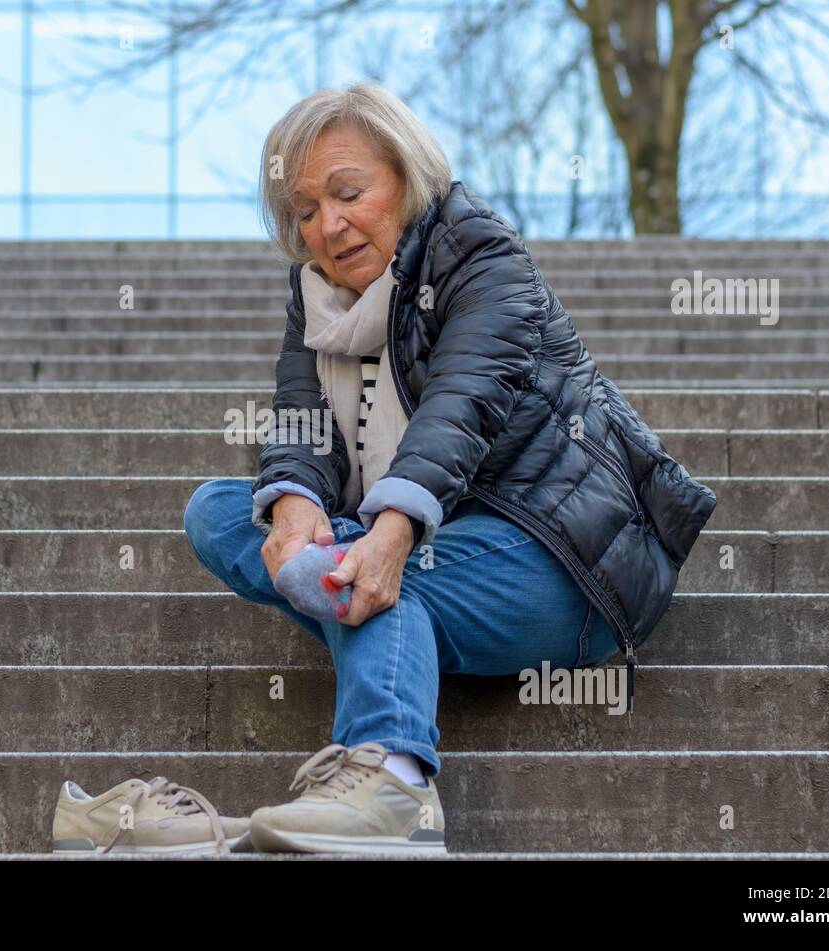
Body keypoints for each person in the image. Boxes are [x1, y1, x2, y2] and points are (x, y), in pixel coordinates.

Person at [182, 80, 717, 854]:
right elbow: (301, 422)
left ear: (407, 175)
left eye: (348, 193)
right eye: (304, 210)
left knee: (382, 573)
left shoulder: (483, 259)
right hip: (438, 542)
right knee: (217, 510)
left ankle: (392, 782)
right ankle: (367, 581)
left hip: (563, 552)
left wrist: (389, 532)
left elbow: (459, 408)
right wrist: (296, 505)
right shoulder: (317, 296)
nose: (327, 225)